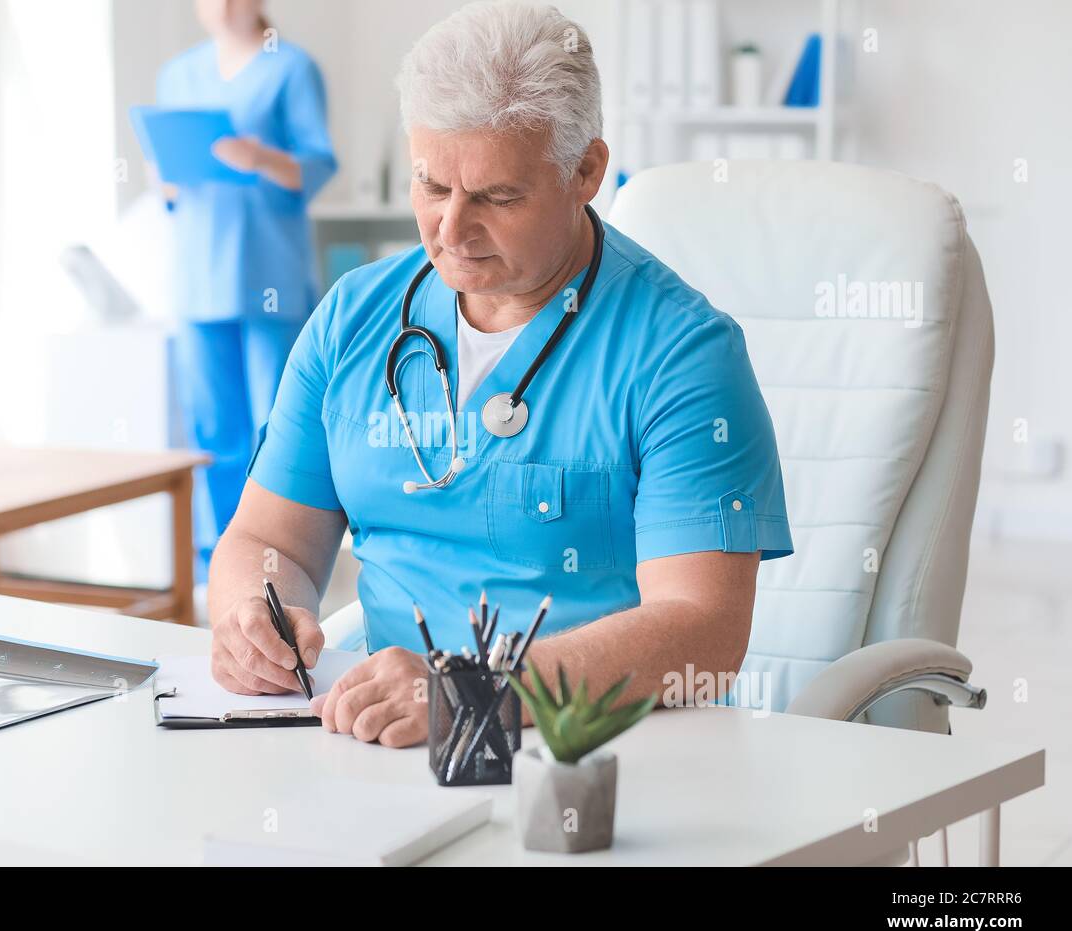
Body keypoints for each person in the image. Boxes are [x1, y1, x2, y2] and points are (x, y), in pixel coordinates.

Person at [206, 1, 793, 747]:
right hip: (377, 744)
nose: (450, 232)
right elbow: (269, 541)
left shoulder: (682, 354)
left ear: (586, 171)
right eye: (431, 187)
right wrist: (248, 617)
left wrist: (475, 692)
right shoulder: (352, 318)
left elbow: (703, 636)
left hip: (589, 753)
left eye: (496, 196)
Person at [157, 0, 336, 575]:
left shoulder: (292, 67)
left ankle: (276, 564)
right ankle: (218, 566)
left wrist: (258, 156)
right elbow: (170, 190)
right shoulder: (178, 75)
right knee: (214, 430)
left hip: (268, 276)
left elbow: (315, 167)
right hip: (199, 277)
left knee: (275, 430)